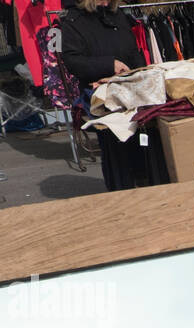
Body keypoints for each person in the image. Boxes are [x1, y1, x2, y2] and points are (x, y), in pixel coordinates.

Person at [59, 0, 167, 190]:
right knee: (117, 148)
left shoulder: (117, 15)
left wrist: (140, 72)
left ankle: (151, 184)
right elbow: (73, 62)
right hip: (102, 96)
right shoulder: (73, 22)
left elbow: (133, 51)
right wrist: (109, 65)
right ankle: (123, 191)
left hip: (132, 90)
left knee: (147, 140)